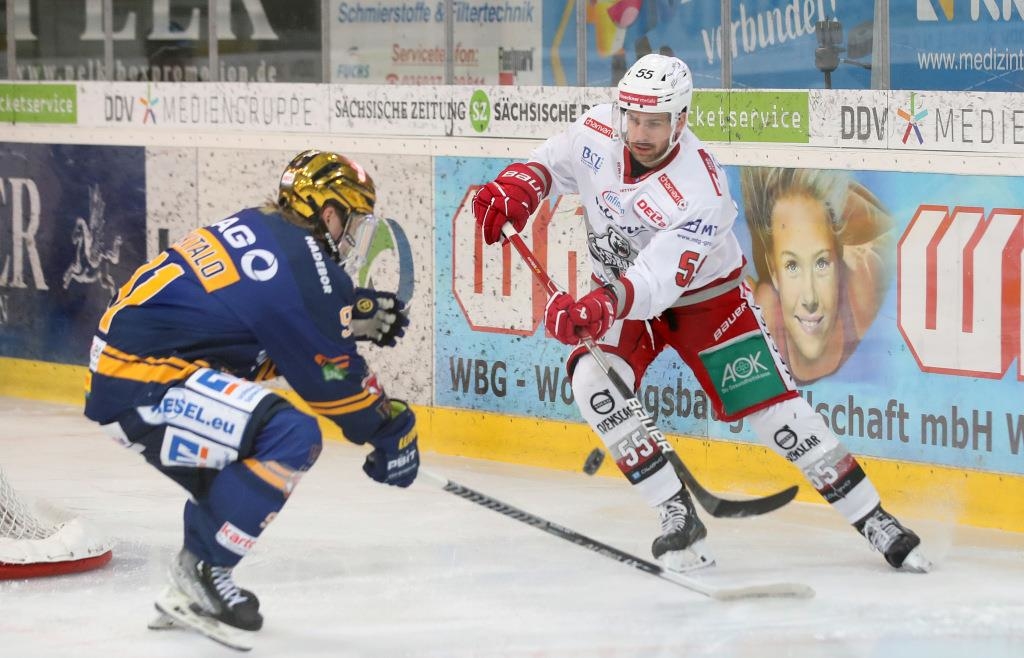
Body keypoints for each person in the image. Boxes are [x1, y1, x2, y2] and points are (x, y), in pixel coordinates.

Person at [472, 54, 929, 574]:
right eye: (634, 118)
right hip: (622, 295)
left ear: (681, 120)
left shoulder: (701, 188)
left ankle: (873, 518)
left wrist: (601, 305)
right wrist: (519, 185)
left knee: (777, 414)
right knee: (593, 384)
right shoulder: (597, 129)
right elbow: (552, 162)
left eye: (655, 122)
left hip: (706, 304)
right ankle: (675, 511)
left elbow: (658, 278)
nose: (640, 132)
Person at [83, 150, 418, 644]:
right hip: (142, 375)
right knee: (290, 434)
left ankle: (198, 571)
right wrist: (392, 432)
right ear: (328, 212)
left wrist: (342, 314)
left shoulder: (261, 225)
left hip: (137, 365)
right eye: (351, 220)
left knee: (240, 445)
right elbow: (335, 389)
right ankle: (203, 576)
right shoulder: (305, 269)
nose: (351, 236)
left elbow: (253, 334)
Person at [741, 167, 893, 384]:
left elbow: (897, 231)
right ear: (774, 271)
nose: (810, 298)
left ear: (839, 263)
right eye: (792, 266)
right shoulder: (765, 311)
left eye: (822, 263)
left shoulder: (862, 286)